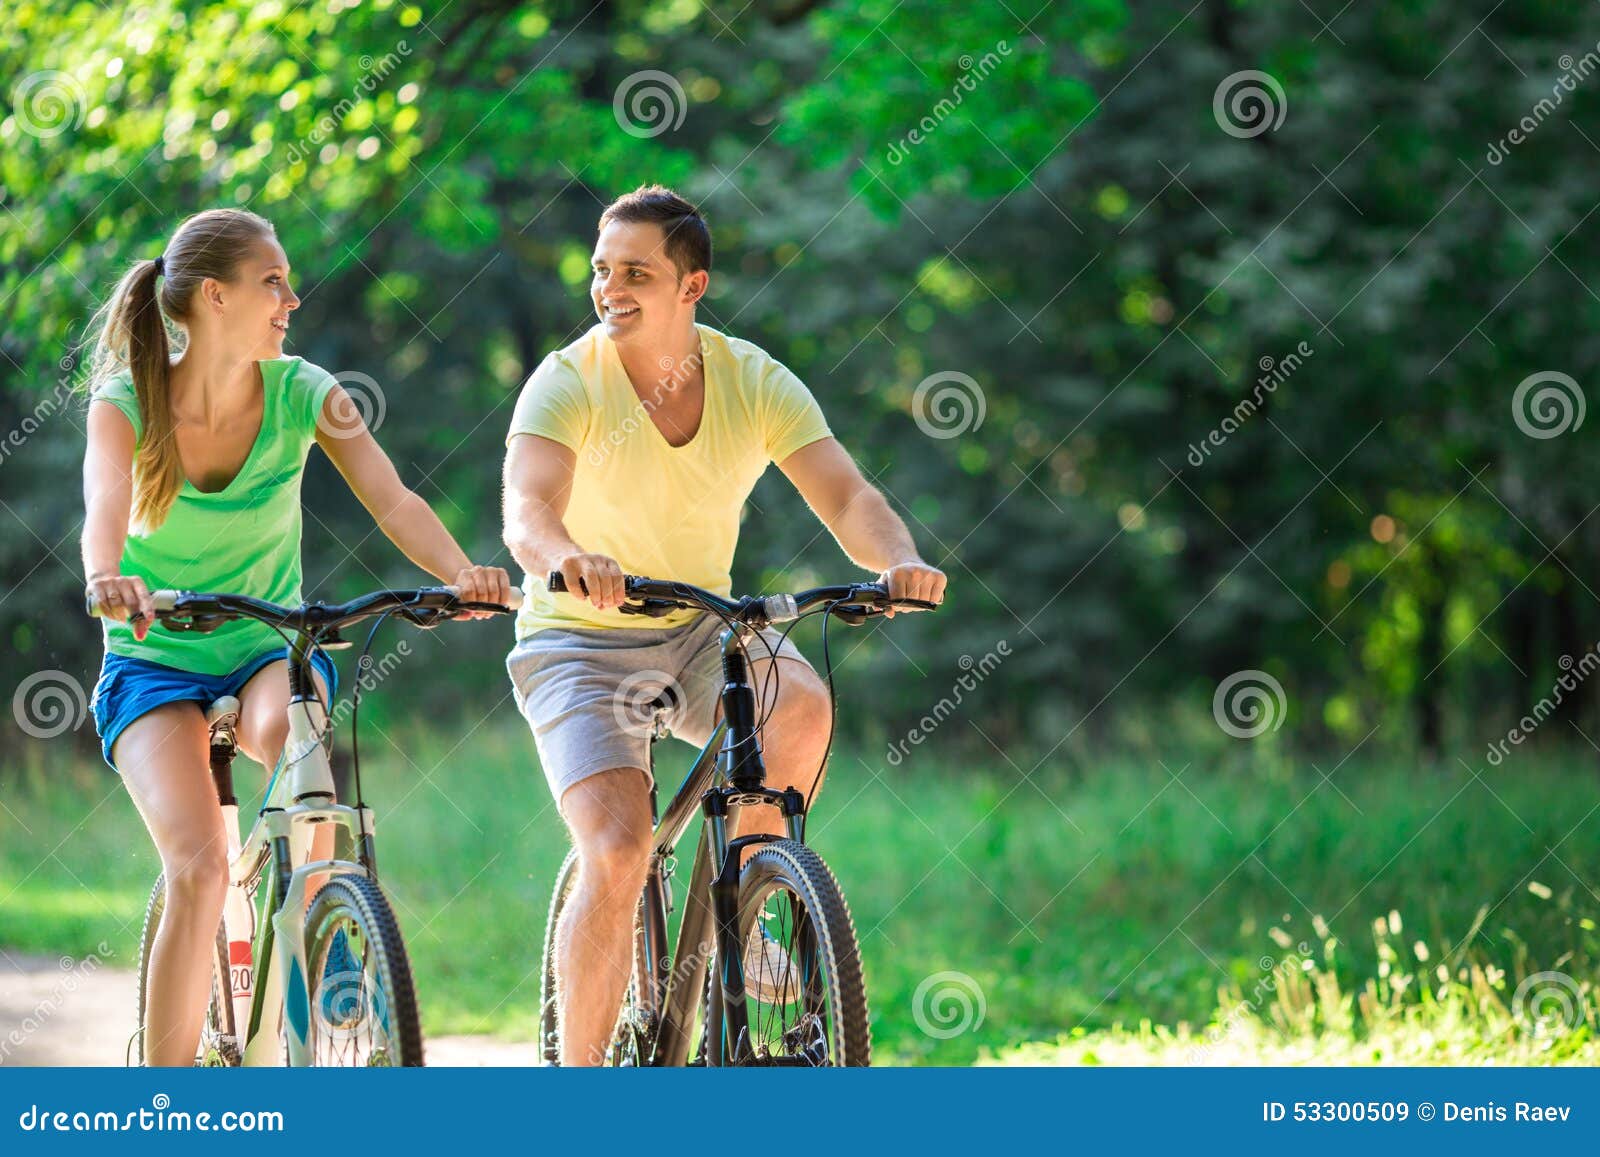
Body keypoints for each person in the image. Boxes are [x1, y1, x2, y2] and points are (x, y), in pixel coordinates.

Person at [501, 185, 947, 1065]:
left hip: (701, 627)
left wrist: (896, 559)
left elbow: (846, 492)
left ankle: (743, 907)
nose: (609, 288)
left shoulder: (752, 378)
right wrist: (567, 557)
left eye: (636, 271)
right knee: (619, 850)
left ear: (691, 286)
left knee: (802, 701)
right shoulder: (567, 378)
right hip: (578, 637)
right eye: (601, 270)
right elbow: (524, 509)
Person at [81, 208, 511, 1065]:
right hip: (152, 657)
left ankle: (318, 918)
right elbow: (104, 504)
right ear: (214, 296)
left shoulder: (308, 390)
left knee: (298, 744)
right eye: (272, 280)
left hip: (262, 645)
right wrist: (107, 577)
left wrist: (464, 572)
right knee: (199, 870)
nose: (292, 297)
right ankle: (156, 1106)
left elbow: (392, 500)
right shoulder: (127, 398)